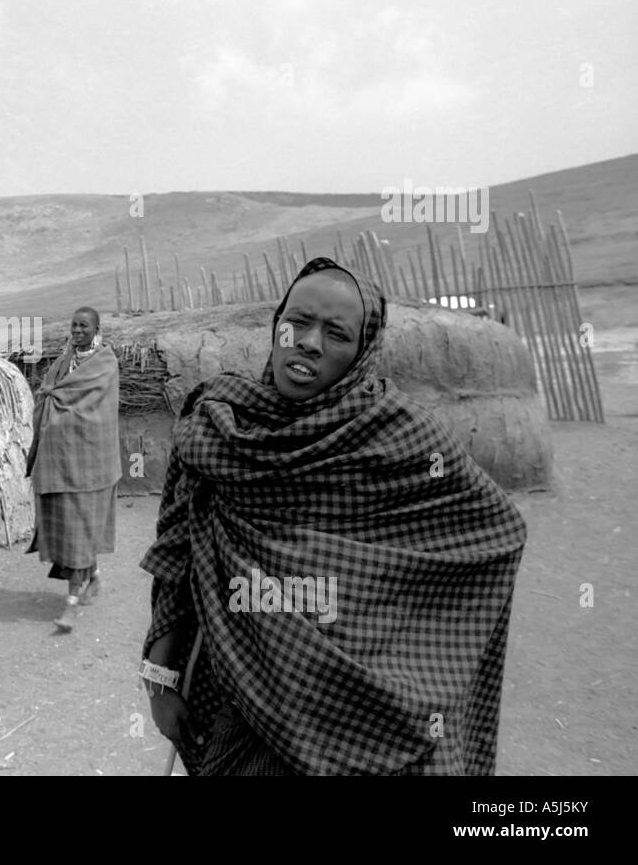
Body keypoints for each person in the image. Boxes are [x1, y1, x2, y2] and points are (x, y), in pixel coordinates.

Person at [139, 257, 526, 775]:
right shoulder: (221, 424)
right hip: (244, 704)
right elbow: (178, 555)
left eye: (335, 333)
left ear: (361, 352)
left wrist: (400, 647)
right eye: (296, 322)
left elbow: (496, 533)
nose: (309, 342)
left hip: (362, 712)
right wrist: (159, 678)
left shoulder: (399, 437)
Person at [26, 306, 122, 632]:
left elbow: (95, 412)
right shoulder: (64, 360)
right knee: (71, 528)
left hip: (91, 466)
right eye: (74, 325)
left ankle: (70, 608)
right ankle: (92, 576)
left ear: (96, 329)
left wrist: (59, 404)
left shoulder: (105, 365)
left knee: (78, 531)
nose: (78, 330)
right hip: (60, 465)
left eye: (84, 326)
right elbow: (52, 393)